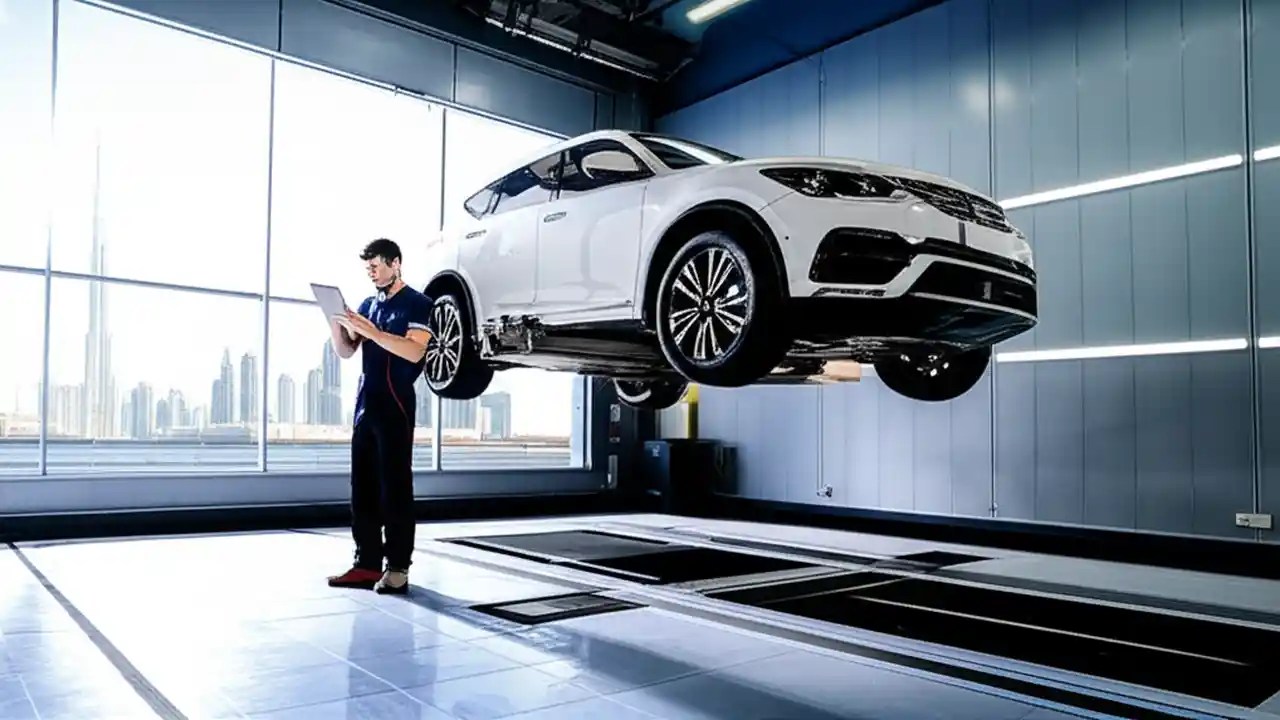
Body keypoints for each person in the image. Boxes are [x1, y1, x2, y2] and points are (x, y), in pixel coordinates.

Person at [325, 238, 433, 595]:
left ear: (396, 263)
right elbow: (346, 350)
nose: (371, 272)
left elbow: (414, 351)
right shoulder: (368, 305)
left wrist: (372, 331)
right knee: (363, 489)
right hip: (365, 407)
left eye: (376, 265)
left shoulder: (419, 303)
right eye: (368, 267)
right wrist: (336, 322)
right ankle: (366, 563)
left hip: (395, 405)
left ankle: (398, 567)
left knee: (395, 489)